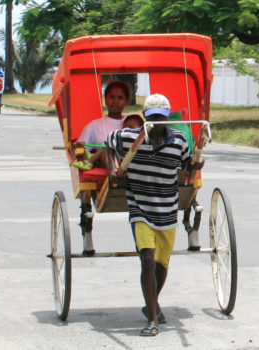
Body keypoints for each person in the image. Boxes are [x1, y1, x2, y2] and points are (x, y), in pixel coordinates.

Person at [107, 93, 204, 337]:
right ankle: (152, 317)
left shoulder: (179, 141)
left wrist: (194, 167)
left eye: (161, 117)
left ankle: (151, 303)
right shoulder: (129, 138)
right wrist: (113, 168)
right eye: (152, 118)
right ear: (146, 118)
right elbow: (108, 143)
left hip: (168, 209)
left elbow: (186, 168)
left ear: (166, 118)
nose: (157, 123)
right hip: (140, 206)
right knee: (147, 259)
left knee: (161, 265)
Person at [74, 80, 131, 256]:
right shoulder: (95, 125)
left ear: (126, 101)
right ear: (105, 100)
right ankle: (117, 175)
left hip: (129, 161)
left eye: (120, 98)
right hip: (105, 164)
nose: (115, 101)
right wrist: (80, 147)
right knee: (109, 148)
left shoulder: (132, 122)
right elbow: (81, 148)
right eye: (112, 97)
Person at [72, 114, 144, 170]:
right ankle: (92, 161)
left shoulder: (141, 142)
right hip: (117, 162)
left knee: (108, 147)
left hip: (127, 163)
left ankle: (91, 162)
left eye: (131, 128)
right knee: (107, 147)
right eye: (124, 129)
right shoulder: (123, 140)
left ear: (141, 129)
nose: (127, 131)